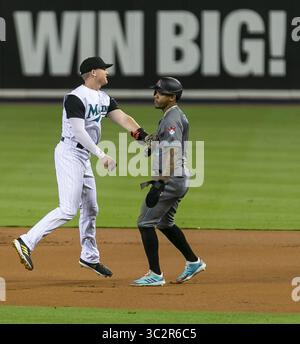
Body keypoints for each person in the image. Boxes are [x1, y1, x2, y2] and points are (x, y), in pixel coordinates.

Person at [13, 56, 149, 277]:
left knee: (91, 208)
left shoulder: (103, 98)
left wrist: (144, 138)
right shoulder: (75, 98)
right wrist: (101, 154)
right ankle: (25, 241)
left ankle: (89, 256)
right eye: (104, 69)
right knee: (68, 209)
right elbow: (78, 131)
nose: (107, 72)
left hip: (83, 156)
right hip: (70, 153)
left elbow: (124, 119)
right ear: (94, 72)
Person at [132, 77, 206, 286]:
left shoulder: (172, 118)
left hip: (171, 179)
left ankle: (155, 274)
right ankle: (193, 262)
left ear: (172, 97)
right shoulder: (172, 115)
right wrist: (146, 138)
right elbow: (165, 143)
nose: (155, 95)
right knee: (165, 223)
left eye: (160, 93)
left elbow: (172, 152)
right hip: (179, 178)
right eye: (155, 92)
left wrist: (160, 183)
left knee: (144, 223)